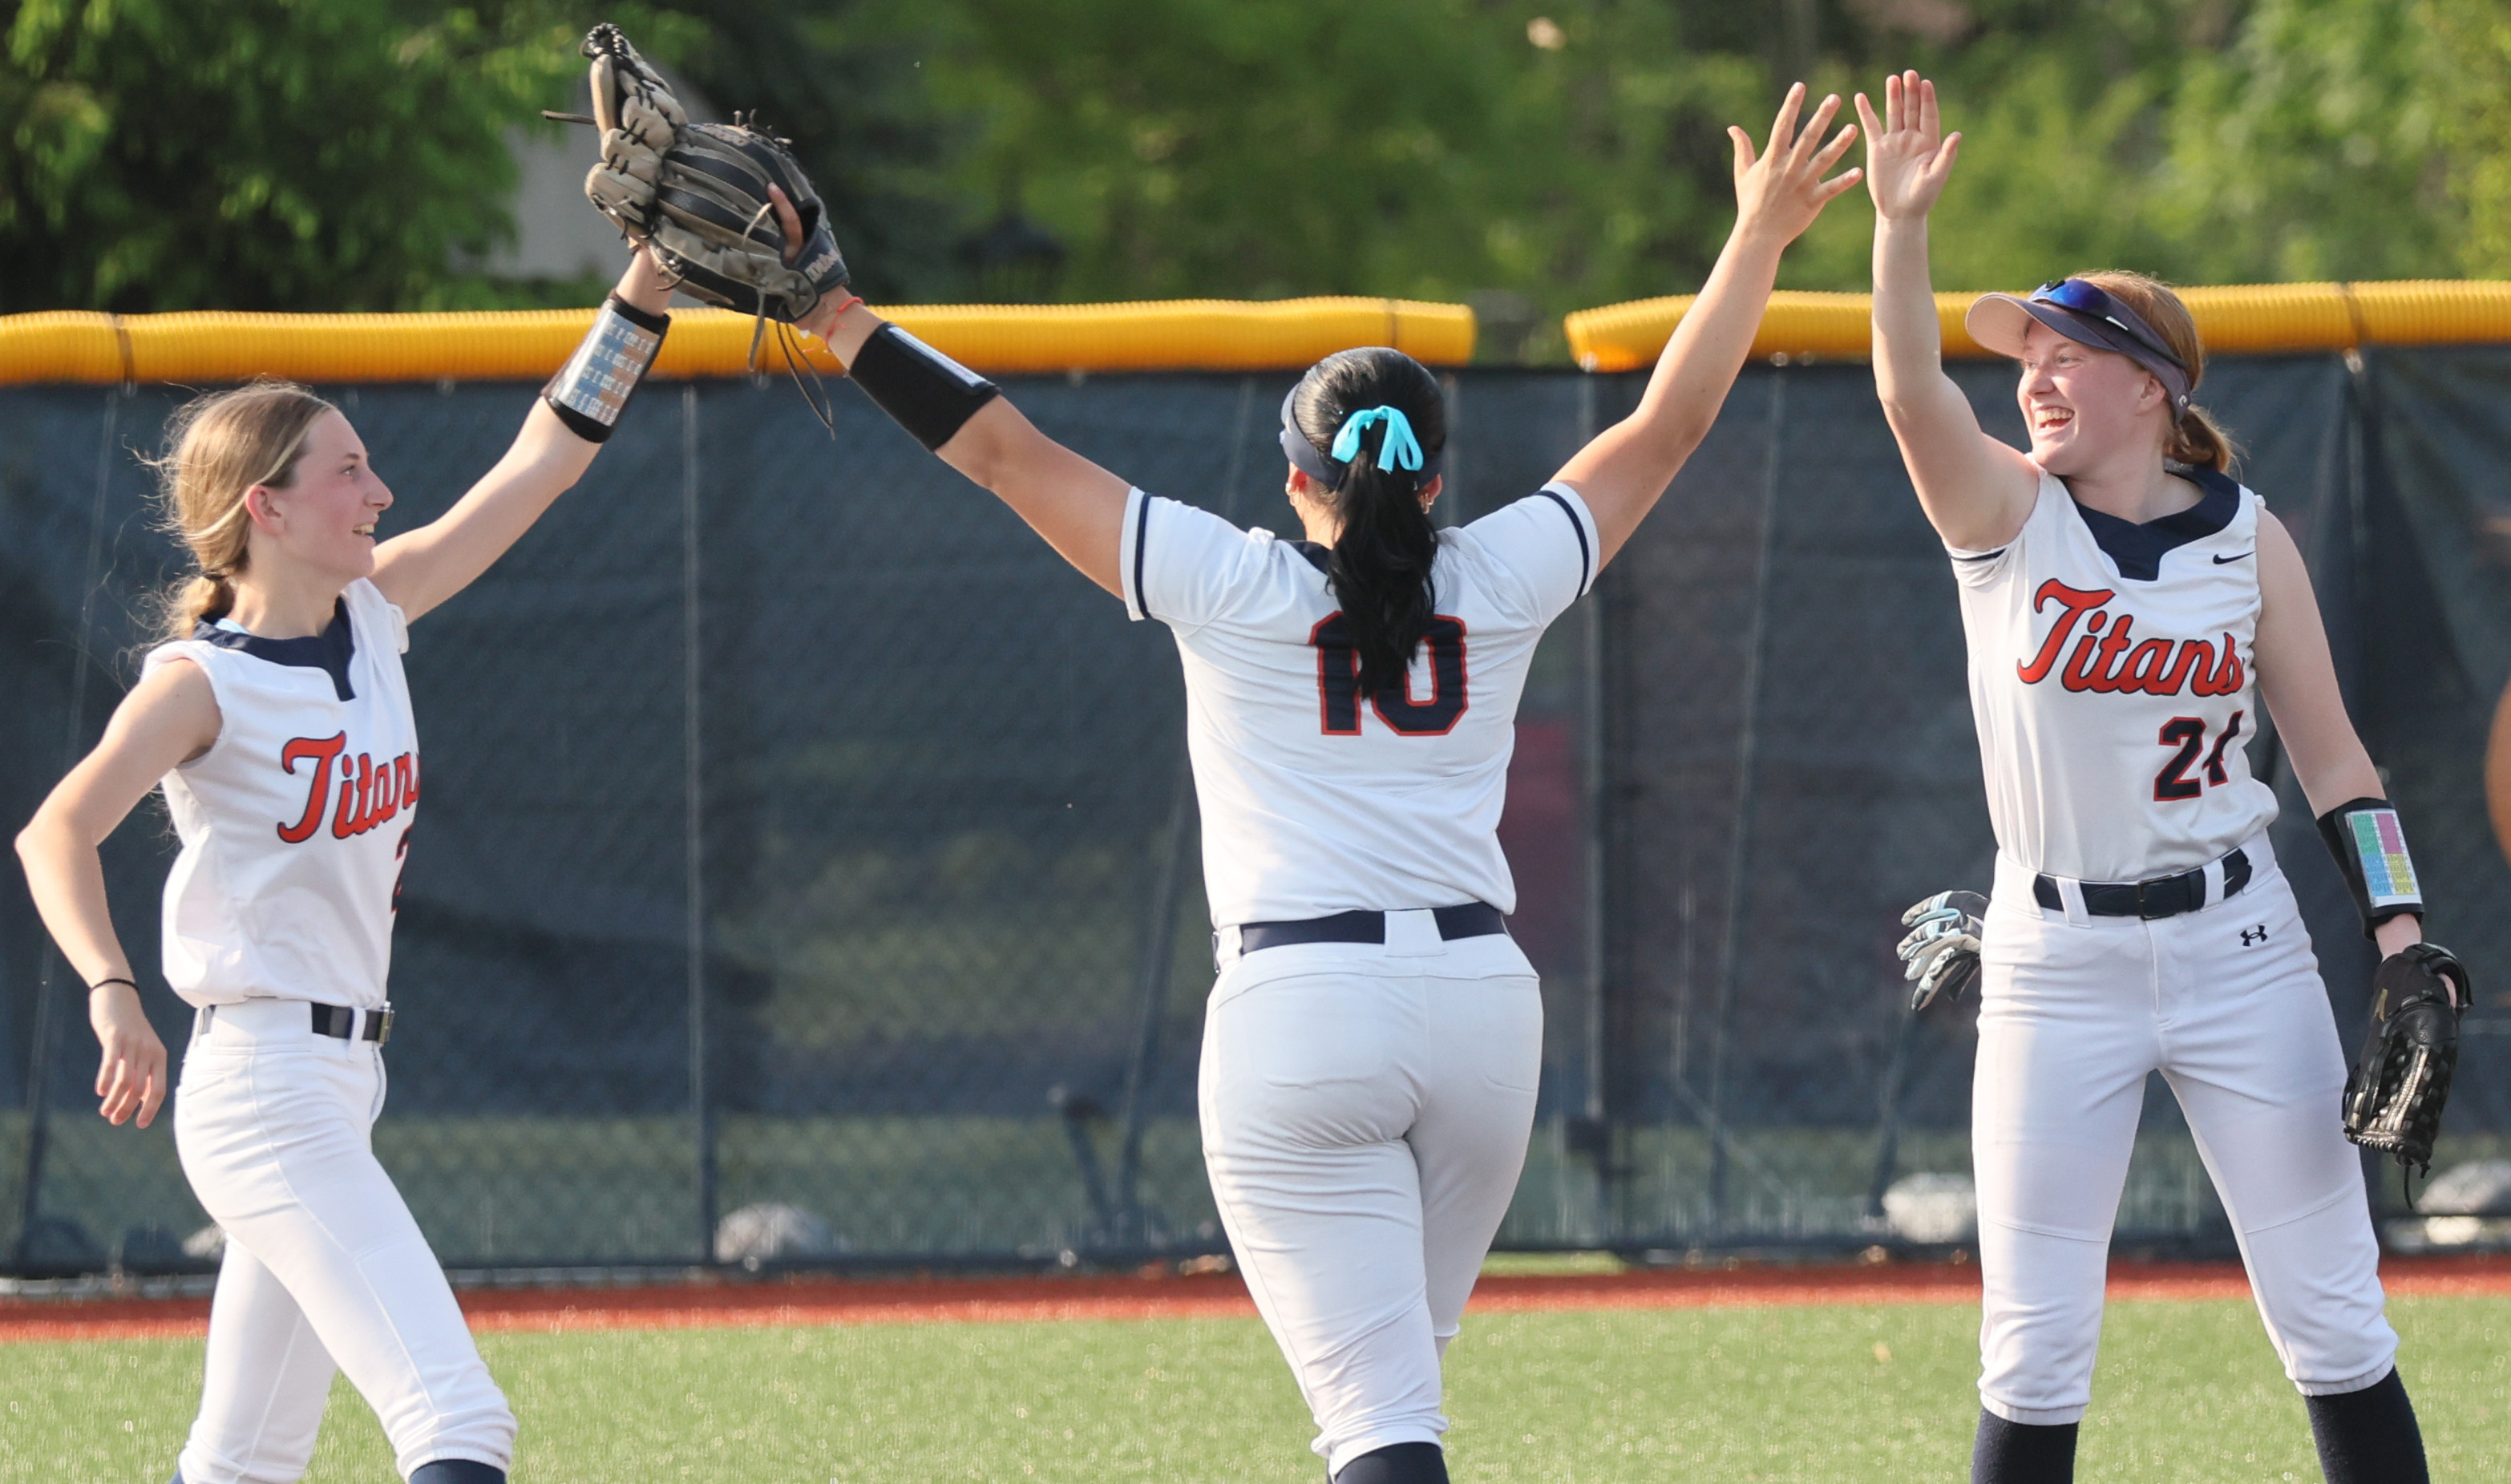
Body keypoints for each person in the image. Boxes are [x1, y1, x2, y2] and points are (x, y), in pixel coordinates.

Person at [756, 86, 1858, 1483]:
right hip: (1482, 1017)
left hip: (1303, 1017)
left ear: (1295, 479)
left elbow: (999, 452)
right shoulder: (1501, 575)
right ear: (1440, 480)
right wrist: (1757, 238)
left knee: (1383, 1426)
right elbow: (1671, 423)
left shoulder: (1236, 582)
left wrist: (841, 314)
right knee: (1398, 1394)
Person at [1862, 70, 2448, 1484]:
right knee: (2036, 1347)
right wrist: (1898, 232)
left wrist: (2406, 942)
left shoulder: (2253, 540)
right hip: (2053, 959)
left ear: (2151, 385)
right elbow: (1903, 385)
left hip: (2242, 949)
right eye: (2027, 357)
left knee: (2336, 1323)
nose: (2037, 377)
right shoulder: (2009, 519)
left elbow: (2336, 761)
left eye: (2067, 354)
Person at [13, 246, 681, 1484]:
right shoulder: (202, 682)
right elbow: (55, 829)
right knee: (460, 1423)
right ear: (264, 508)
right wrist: (112, 990)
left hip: (339, 1079)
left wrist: (638, 300)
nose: (380, 491)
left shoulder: (375, 616)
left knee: (244, 1461)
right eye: (349, 470)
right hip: (259, 1084)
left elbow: (543, 462)